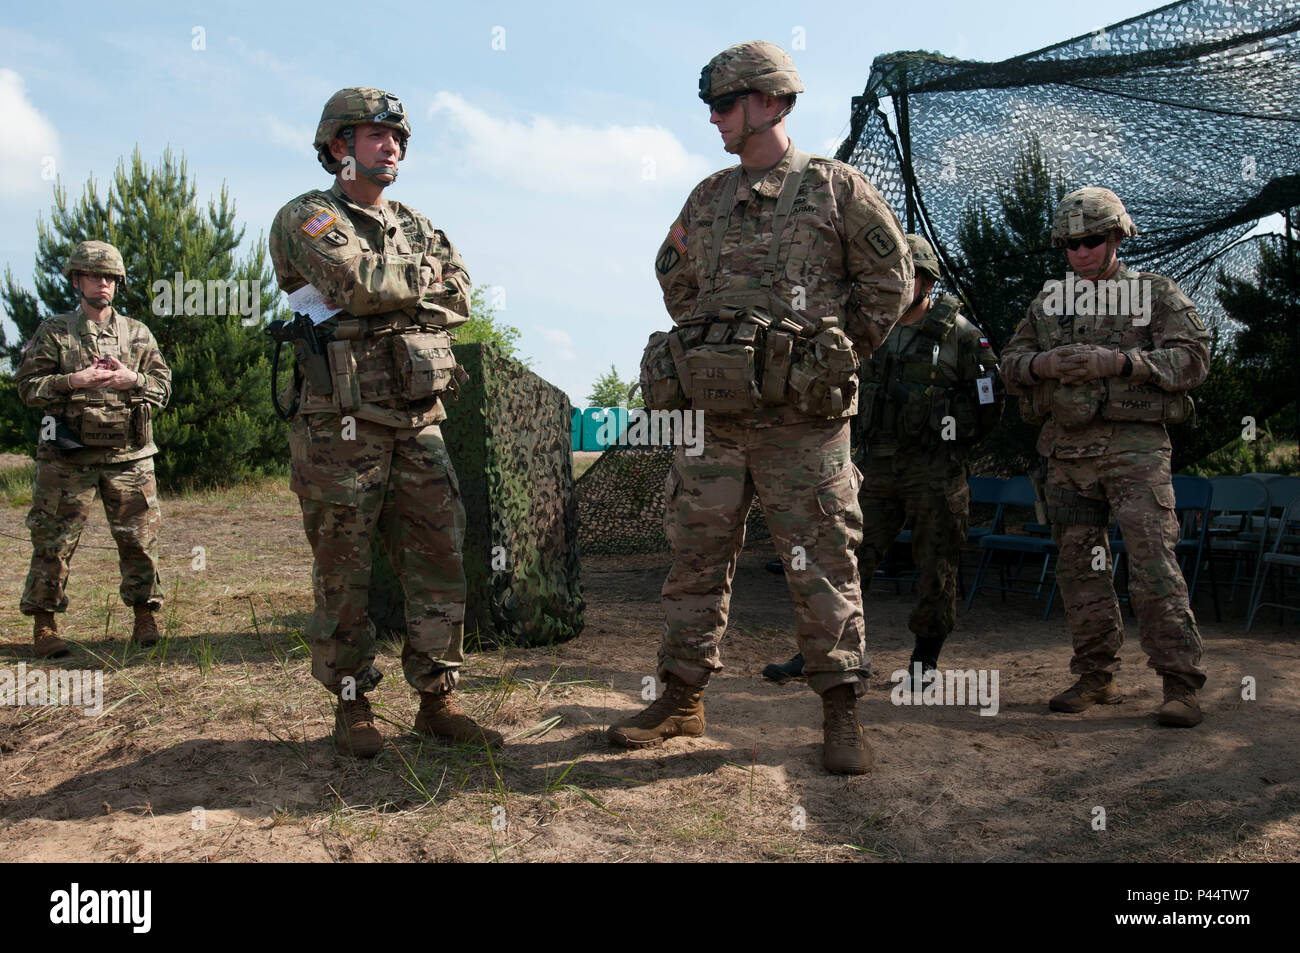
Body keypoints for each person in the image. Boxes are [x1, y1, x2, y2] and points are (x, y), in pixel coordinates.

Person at [608, 42, 913, 774]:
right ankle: (681, 697)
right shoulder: (707, 197)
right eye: (710, 106)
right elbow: (672, 276)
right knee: (694, 557)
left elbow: (890, 280)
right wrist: (719, 351)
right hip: (714, 420)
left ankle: (841, 712)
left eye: (724, 104)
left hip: (801, 425)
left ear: (770, 102)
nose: (713, 119)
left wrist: (826, 363)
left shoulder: (837, 189)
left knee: (823, 564)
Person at [269, 87, 501, 758]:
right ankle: (353, 704)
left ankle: (438, 698)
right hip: (342, 424)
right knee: (344, 567)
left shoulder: (416, 223)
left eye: (397, 137)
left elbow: (459, 291)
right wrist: (411, 283)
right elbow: (353, 283)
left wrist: (402, 279)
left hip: (418, 419)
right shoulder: (308, 216)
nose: (391, 145)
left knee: (438, 555)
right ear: (338, 145)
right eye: (374, 134)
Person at [1001, 187, 1209, 727]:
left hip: (1134, 453)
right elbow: (1010, 364)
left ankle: (1181, 684)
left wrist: (1119, 362)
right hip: (1068, 454)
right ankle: (1096, 676)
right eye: (1070, 244)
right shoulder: (1049, 303)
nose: (1080, 252)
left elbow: (1193, 360)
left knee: (1152, 564)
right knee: (1079, 568)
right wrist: (1042, 365)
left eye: (1091, 240)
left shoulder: (1153, 293)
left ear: (1116, 236)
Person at [764, 234, 1003, 686]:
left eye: (906, 274)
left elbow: (989, 406)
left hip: (935, 471)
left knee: (937, 566)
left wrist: (937, 423)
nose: (894, 282)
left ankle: (924, 663)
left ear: (927, 282)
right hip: (877, 468)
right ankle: (821, 652)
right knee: (846, 559)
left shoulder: (962, 336)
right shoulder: (870, 332)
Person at [16, 240, 170, 657]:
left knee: (139, 540)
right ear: (77, 280)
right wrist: (73, 381)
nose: (102, 283)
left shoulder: (137, 334)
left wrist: (132, 381)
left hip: (129, 458)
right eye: (92, 275)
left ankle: (145, 616)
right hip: (68, 458)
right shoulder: (54, 332)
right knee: (54, 539)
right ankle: (45, 624)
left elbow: (163, 388)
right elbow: (27, 389)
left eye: (109, 277)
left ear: (117, 283)